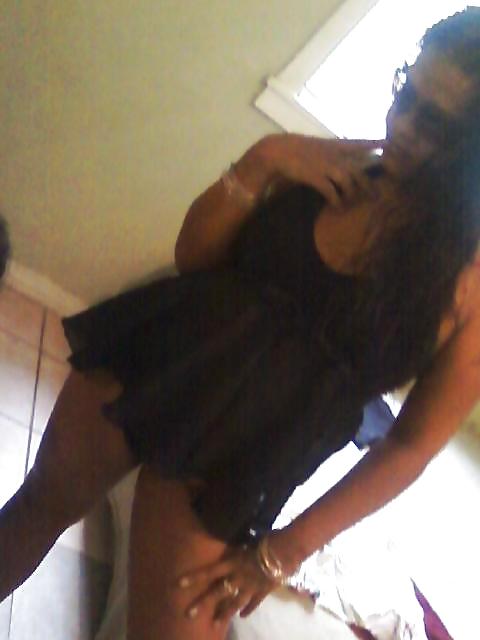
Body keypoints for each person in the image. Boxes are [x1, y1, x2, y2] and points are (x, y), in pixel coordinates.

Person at [1, 7, 480, 640]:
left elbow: (410, 446)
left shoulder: (467, 285)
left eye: (434, 124)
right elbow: (194, 259)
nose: (402, 126)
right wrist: (263, 161)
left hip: (238, 462)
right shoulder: (334, 166)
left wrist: (287, 549)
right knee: (34, 511)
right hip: (157, 362)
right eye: (405, 94)